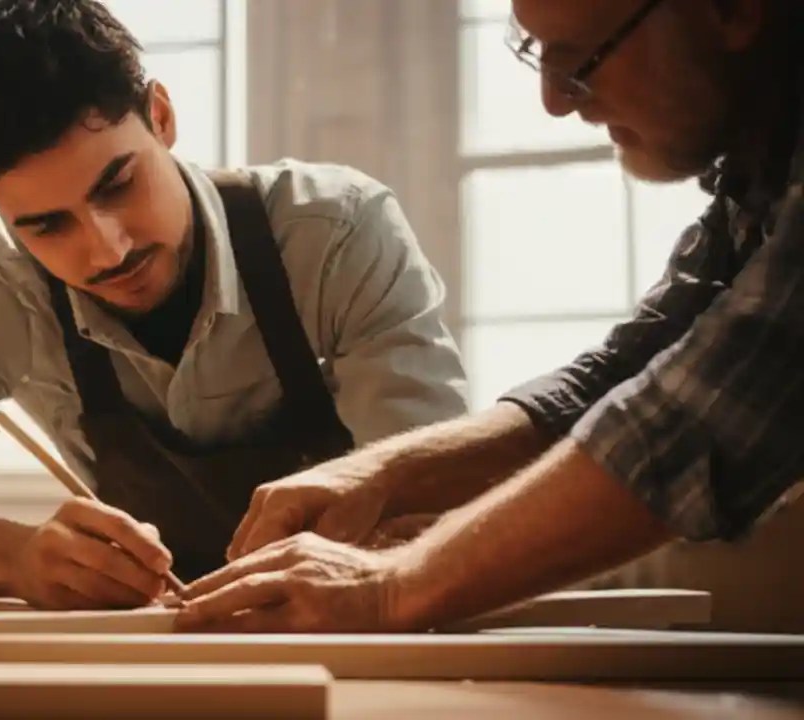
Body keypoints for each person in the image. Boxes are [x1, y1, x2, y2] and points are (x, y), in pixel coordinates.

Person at [0, 0, 467, 611]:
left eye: (117, 183)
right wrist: (13, 561)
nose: (106, 248)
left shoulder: (338, 233)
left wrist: (366, 565)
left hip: (361, 644)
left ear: (163, 117)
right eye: (46, 225)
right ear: (1, 215)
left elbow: (444, 497)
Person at [177, 0, 804, 633]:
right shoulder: (758, 176)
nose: (555, 101)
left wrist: (391, 588)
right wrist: (382, 475)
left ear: (733, 9)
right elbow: (621, 374)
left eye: (578, 57)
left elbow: (703, 415)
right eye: (534, 51)